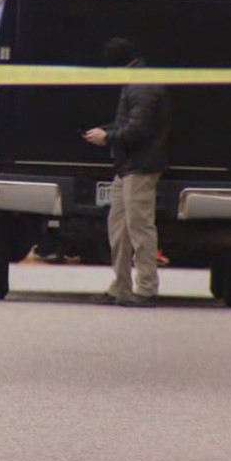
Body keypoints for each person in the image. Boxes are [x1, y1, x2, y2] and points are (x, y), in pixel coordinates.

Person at [83, 37, 170, 307]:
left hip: (140, 167)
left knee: (140, 227)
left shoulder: (142, 87)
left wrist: (107, 136)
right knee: (119, 227)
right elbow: (129, 123)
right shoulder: (138, 83)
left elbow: (140, 129)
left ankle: (146, 288)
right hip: (127, 168)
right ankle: (120, 286)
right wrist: (107, 130)